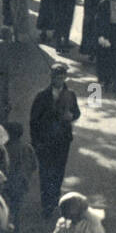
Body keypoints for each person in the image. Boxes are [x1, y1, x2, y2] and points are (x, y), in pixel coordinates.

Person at [30, 63, 80, 217]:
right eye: (56, 77)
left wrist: (72, 116)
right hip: (45, 141)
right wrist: (35, 142)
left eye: (61, 77)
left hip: (62, 141)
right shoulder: (42, 96)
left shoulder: (70, 95)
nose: (59, 80)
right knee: (45, 173)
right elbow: (33, 121)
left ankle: (54, 201)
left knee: (58, 172)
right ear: (51, 77)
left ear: (65, 77)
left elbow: (77, 112)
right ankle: (46, 204)